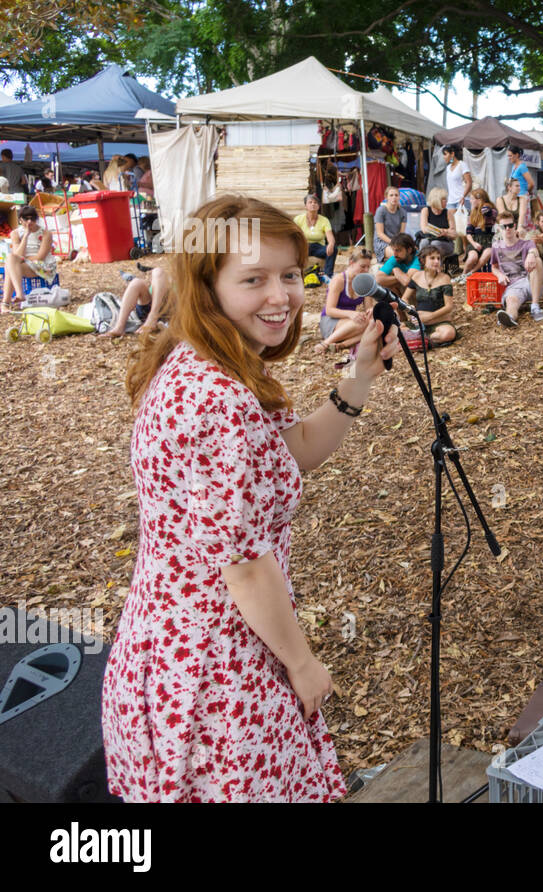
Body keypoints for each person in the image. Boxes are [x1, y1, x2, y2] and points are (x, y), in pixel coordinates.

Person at [102, 195, 399, 802]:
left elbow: (299, 450)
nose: (281, 296)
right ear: (208, 288)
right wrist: (303, 663)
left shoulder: (215, 366)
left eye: (290, 274)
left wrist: (360, 375)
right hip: (217, 662)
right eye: (253, 279)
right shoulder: (220, 401)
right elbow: (243, 564)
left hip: (175, 641)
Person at [490, 211, 543, 327]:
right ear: (499, 228)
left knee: (538, 260)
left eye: (510, 225)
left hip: (532, 282)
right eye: (504, 226)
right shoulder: (496, 246)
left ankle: (535, 306)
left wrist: (531, 254)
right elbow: (494, 267)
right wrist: (499, 275)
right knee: (511, 302)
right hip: (513, 285)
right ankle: (509, 318)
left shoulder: (527, 243)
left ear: (514, 226)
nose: (507, 229)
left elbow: (534, 250)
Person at [317, 249, 375, 352]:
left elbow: (369, 307)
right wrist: (351, 314)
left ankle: (342, 345)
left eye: (368, 267)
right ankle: (325, 343)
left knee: (375, 324)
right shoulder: (339, 280)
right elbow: (329, 310)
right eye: (362, 266)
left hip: (351, 322)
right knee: (364, 324)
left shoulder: (365, 281)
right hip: (331, 320)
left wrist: (371, 311)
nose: (366, 270)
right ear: (351, 263)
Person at [1, 206, 54, 310]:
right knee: (10, 260)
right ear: (21, 220)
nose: (30, 222)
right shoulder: (15, 233)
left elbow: (40, 257)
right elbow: (17, 254)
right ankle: (17, 295)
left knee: (10, 265)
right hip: (23, 263)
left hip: (43, 266)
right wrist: (25, 236)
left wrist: (23, 259)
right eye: (26, 219)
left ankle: (6, 303)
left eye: (33, 219)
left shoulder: (45, 233)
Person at [100, 262, 171, 338]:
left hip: (172, 312)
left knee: (158, 271)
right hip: (150, 309)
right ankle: (119, 327)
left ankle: (153, 318)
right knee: (137, 282)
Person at [404, 247, 458, 346]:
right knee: (396, 330)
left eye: (438, 258)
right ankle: (420, 338)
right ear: (423, 260)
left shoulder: (445, 278)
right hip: (418, 322)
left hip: (439, 323)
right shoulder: (416, 276)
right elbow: (404, 298)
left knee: (448, 334)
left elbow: (449, 306)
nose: (437, 261)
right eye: (432, 258)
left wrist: (430, 317)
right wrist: (410, 311)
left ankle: (422, 339)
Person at [295, 193, 336, 279]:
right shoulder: (298, 219)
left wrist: (331, 244)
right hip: (304, 246)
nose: (313, 204)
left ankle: (327, 275)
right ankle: (295, 275)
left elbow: (330, 236)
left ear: (319, 206)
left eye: (315, 202)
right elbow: (293, 235)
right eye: (310, 202)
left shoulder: (324, 220)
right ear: (306, 206)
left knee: (334, 249)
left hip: (318, 247)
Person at [417, 187, 457, 270]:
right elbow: (424, 229)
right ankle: (422, 267)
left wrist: (445, 232)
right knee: (424, 242)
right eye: (443, 199)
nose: (446, 201)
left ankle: (437, 269)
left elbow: (454, 234)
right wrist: (443, 230)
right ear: (436, 200)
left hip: (446, 243)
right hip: (429, 239)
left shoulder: (448, 212)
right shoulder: (426, 210)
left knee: (435, 243)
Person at [461, 188, 496, 275]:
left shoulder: (491, 210)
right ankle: (463, 274)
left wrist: (483, 203)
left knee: (487, 254)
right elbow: (468, 233)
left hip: (489, 240)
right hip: (476, 240)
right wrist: (474, 243)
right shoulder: (471, 214)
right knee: (473, 257)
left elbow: (486, 211)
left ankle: (471, 273)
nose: (470, 201)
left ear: (479, 200)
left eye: (472, 199)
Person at [506, 145, 535, 229]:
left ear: (517, 155)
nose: (509, 158)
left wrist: (526, 193)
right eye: (508, 156)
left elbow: (531, 183)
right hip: (515, 197)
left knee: (523, 223)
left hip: (522, 196)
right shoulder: (514, 166)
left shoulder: (522, 166)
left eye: (510, 155)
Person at [373, 186, 405, 259]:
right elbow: (380, 234)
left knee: (410, 252)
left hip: (397, 241)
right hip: (382, 242)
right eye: (391, 195)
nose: (394, 197)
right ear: (386, 197)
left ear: (399, 197)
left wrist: (400, 243)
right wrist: (393, 243)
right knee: (396, 254)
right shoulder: (381, 211)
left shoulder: (402, 212)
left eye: (396, 195)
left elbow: (402, 233)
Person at [443, 145, 471, 212]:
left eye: (445, 154)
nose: (444, 157)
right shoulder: (448, 168)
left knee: (461, 221)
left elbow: (469, 183)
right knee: (451, 222)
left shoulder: (462, 165)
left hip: (461, 200)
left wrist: (463, 196)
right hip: (450, 201)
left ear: (452, 153)